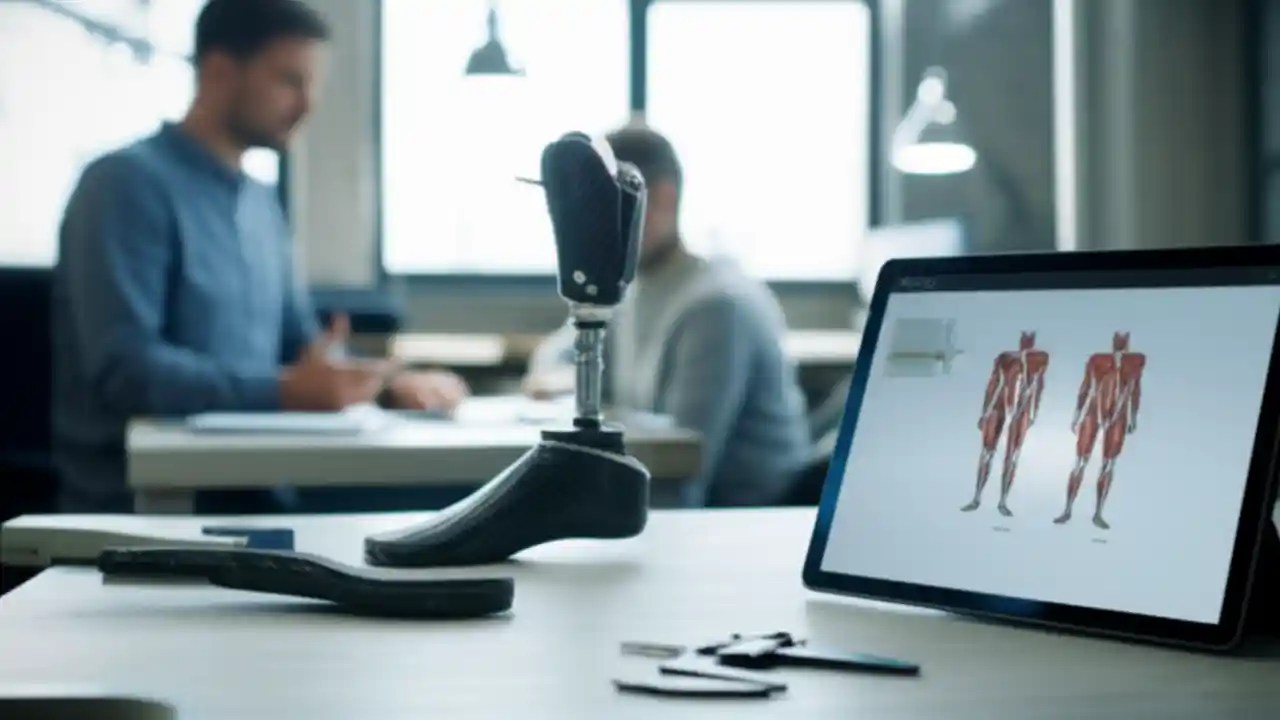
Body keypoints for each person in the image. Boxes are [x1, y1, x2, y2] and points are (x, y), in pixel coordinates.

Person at [52, 0, 467, 512]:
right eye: (290, 81)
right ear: (221, 72)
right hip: (148, 501)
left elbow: (301, 351)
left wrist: (387, 384)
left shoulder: (259, 203)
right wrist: (285, 391)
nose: (308, 104)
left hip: (256, 487)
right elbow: (126, 368)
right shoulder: (124, 186)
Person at [524, 126, 810, 507]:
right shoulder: (630, 290)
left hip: (738, 522)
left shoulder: (716, 308)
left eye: (601, 210)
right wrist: (570, 380)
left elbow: (682, 473)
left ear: (660, 198)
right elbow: (555, 357)